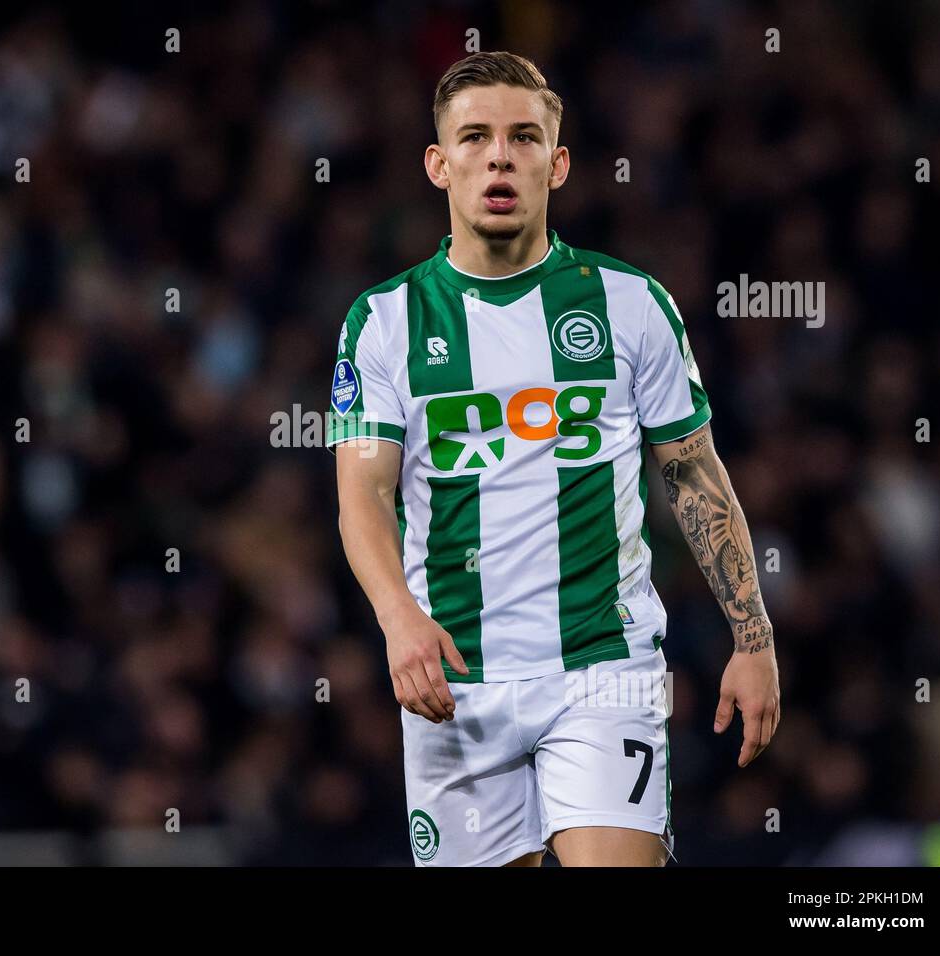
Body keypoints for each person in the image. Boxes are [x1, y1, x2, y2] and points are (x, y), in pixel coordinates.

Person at [328, 51, 779, 867]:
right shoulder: (384, 323)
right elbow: (363, 493)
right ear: (439, 164)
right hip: (456, 681)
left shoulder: (631, 304)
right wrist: (398, 620)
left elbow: (695, 476)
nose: (499, 155)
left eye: (523, 137)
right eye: (474, 138)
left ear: (557, 162)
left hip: (603, 668)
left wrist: (753, 638)